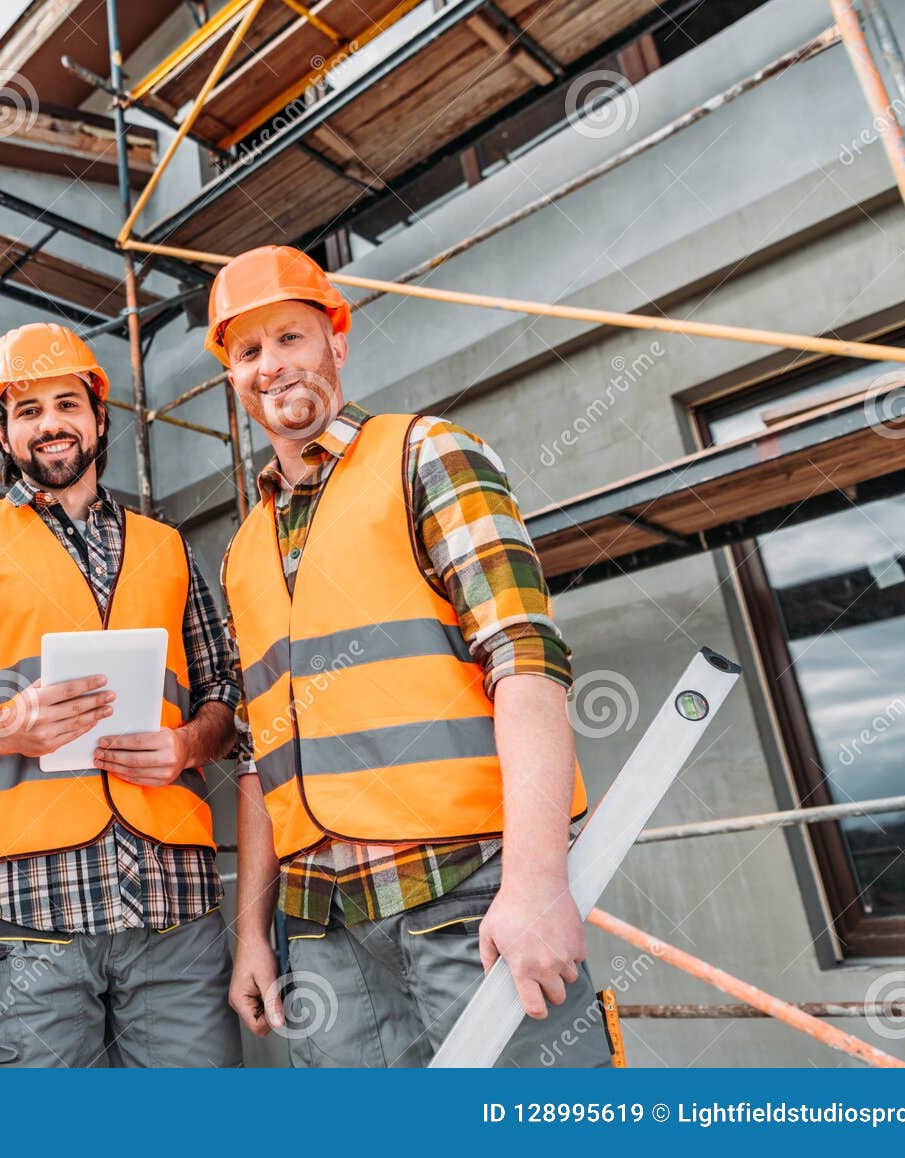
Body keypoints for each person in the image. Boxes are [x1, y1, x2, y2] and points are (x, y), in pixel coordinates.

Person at [212, 246, 610, 1068]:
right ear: (232, 375)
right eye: (247, 352)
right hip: (322, 930)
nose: (271, 365)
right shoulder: (242, 551)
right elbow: (258, 759)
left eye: (289, 337)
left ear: (337, 341)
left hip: (467, 895)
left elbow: (524, 658)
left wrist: (536, 884)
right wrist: (253, 932)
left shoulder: (427, 456)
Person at [0, 322, 243, 1068]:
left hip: (172, 909)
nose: (51, 424)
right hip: (25, 915)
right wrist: (1, 730)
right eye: (27, 410)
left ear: (98, 415)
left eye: (66, 403)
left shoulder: (168, 547)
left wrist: (185, 744)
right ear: (2, 430)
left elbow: (225, 700)